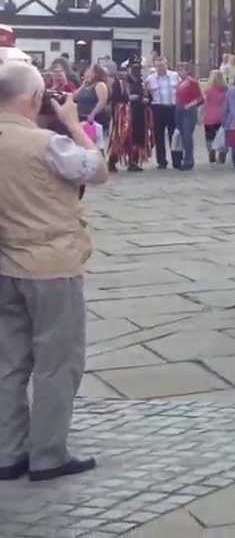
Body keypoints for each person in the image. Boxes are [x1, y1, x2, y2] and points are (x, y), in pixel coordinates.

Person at [0, 61, 107, 482]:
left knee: (9, 362)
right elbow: (97, 171)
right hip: (52, 265)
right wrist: (74, 123)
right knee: (57, 362)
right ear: (33, 99)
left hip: (6, 263)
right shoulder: (46, 144)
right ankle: (48, 454)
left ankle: (8, 452)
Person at [107, 57, 152, 172]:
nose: (136, 70)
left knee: (138, 139)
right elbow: (114, 98)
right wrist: (128, 98)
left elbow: (149, 96)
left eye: (138, 68)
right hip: (124, 116)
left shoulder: (142, 82)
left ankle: (133, 162)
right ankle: (112, 161)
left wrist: (147, 99)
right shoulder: (121, 82)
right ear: (128, 69)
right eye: (133, 68)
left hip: (139, 114)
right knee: (121, 138)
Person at [144, 55, 180, 170]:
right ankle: (161, 161)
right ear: (154, 66)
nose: (160, 68)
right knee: (158, 136)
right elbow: (146, 94)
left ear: (167, 65)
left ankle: (177, 160)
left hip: (172, 108)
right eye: (158, 66)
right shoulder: (150, 79)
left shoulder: (175, 76)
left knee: (174, 136)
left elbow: (181, 90)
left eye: (162, 65)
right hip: (157, 108)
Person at [173, 62, 203, 171]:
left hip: (188, 112)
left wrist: (189, 105)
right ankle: (184, 158)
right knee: (182, 135)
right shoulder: (180, 82)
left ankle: (189, 160)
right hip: (179, 111)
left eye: (182, 70)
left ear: (187, 70)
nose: (179, 72)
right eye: (178, 70)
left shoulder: (192, 82)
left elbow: (200, 98)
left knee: (187, 136)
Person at [74, 64, 110, 150]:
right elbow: (74, 96)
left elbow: (102, 101)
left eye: (89, 70)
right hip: (81, 117)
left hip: (94, 118)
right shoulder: (85, 85)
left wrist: (93, 113)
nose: (86, 72)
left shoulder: (99, 85)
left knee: (94, 144)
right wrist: (83, 85)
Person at [203, 70, 229, 165]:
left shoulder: (208, 90)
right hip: (222, 117)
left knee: (209, 137)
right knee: (223, 137)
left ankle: (211, 153)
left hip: (209, 117)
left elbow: (204, 103)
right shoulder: (225, 90)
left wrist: (201, 115)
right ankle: (222, 155)